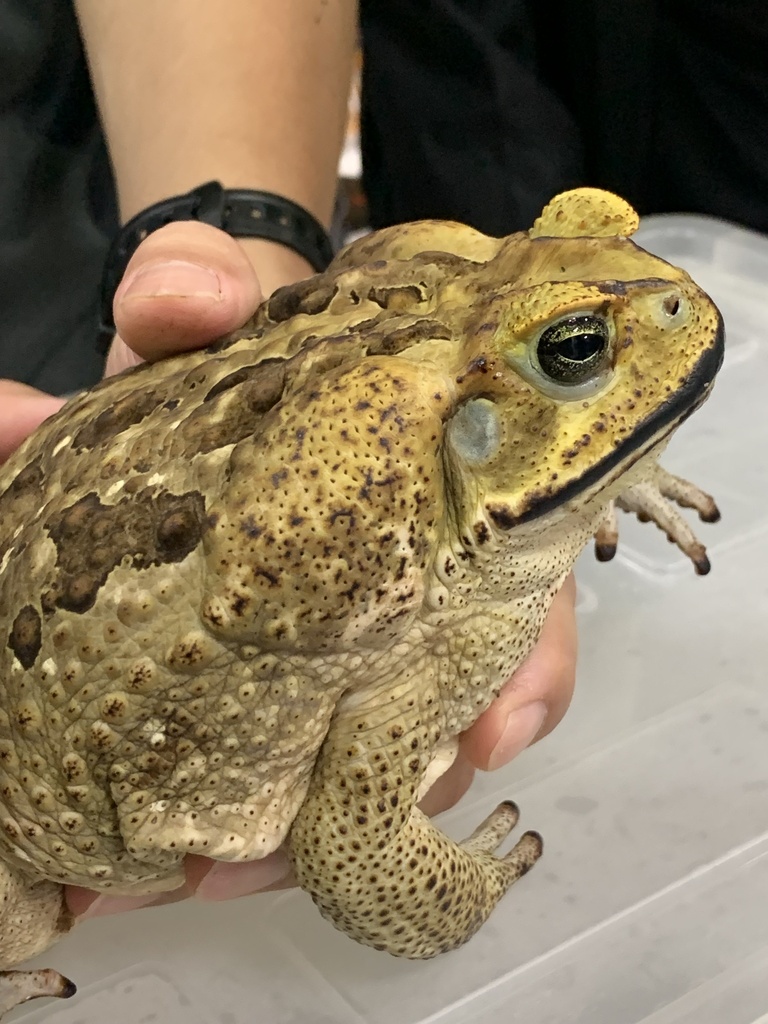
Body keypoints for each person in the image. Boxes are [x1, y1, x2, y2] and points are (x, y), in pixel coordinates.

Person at [8, 0, 762, 919]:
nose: (667, 301)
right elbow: (357, 854)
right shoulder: (411, 628)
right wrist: (465, 897)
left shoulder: (417, 474)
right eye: (576, 349)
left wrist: (244, 232)